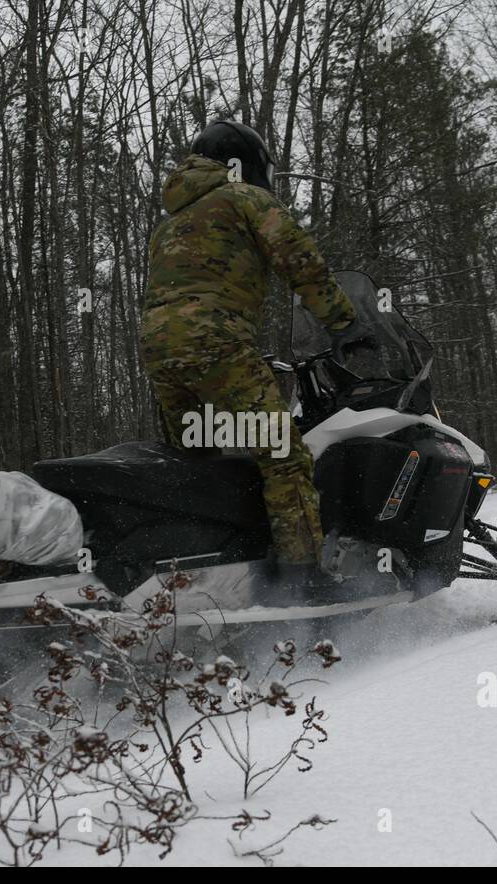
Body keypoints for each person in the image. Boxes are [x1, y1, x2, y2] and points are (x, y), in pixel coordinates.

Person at [140, 119, 372, 589]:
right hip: (217, 342)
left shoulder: (170, 224)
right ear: (243, 162)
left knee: (197, 463)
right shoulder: (245, 197)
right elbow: (300, 261)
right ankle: (302, 582)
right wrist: (346, 324)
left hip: (159, 349)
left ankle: (199, 576)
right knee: (282, 456)